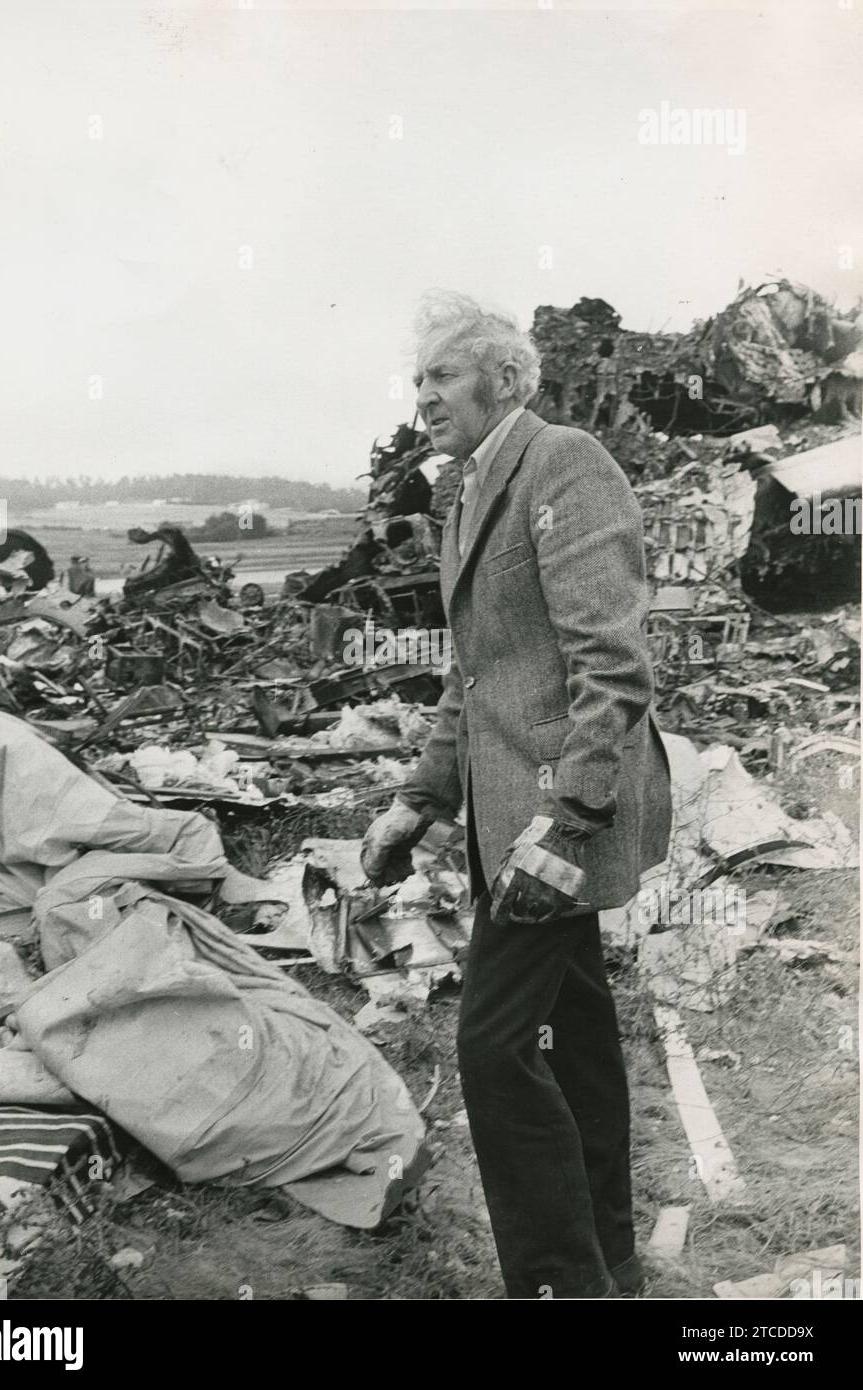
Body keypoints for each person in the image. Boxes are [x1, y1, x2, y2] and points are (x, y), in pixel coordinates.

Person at [361, 291, 672, 1300]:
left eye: (442, 375)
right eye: (417, 380)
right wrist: (419, 799)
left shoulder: (563, 463)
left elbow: (612, 665)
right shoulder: (465, 493)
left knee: (493, 1051)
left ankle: (554, 1285)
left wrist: (569, 821)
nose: (423, 398)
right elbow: (474, 676)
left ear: (505, 375)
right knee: (573, 1041)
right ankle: (611, 1265)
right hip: (507, 820)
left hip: (555, 820)